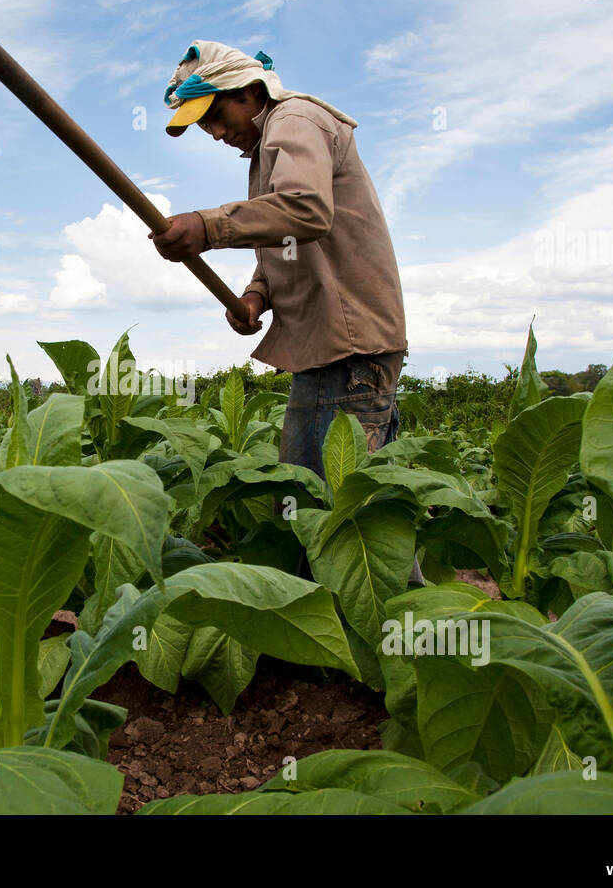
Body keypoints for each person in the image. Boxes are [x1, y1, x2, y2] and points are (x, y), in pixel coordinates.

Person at [151, 41, 421, 582]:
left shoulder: (294, 118)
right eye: (205, 128)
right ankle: (319, 641)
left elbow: (307, 210)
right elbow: (286, 241)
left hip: (352, 347)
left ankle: (397, 641)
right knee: (304, 502)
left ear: (250, 91)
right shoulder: (267, 147)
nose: (217, 135)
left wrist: (208, 226)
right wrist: (257, 294)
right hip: (324, 348)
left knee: (352, 519)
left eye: (217, 117)